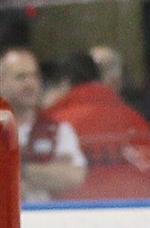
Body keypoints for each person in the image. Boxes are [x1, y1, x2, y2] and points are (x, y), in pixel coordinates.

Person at [44, 51, 150, 200]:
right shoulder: (137, 121)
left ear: (64, 82)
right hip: (136, 210)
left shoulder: (51, 123)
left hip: (68, 211)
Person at [0, 46, 86, 201]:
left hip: (45, 215)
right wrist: (46, 170)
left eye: (34, 76)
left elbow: (74, 176)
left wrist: (19, 169)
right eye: (21, 77)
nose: (30, 84)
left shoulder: (58, 130)